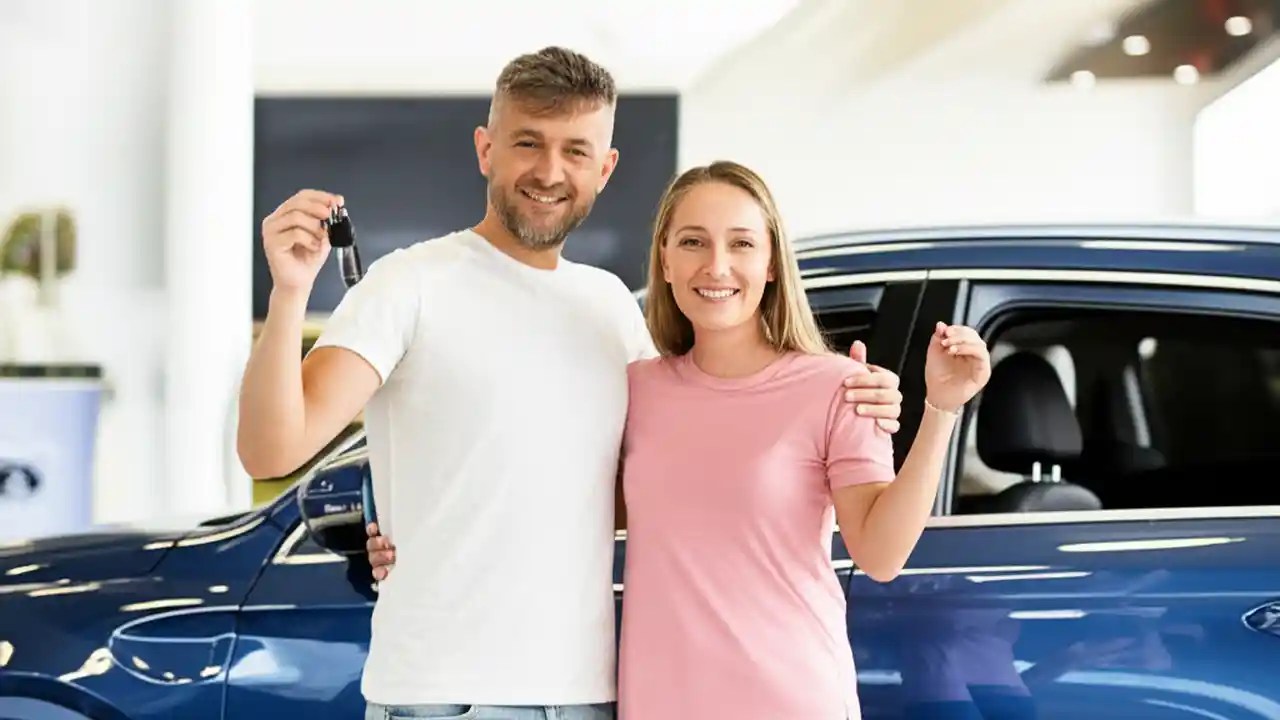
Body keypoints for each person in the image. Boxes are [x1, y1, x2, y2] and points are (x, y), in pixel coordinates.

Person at [238, 47, 905, 720]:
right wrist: (291, 293)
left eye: (576, 151)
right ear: (485, 148)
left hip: (590, 696)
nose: (550, 172)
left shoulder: (612, 308)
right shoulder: (409, 285)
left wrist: (850, 395)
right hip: (446, 696)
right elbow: (271, 450)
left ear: (605, 168)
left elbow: (645, 486)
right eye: (528, 142)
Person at [369, 159, 992, 719]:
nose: (715, 266)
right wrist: (407, 537)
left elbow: (881, 556)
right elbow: (544, 496)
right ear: (665, 260)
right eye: (693, 242)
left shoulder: (836, 388)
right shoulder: (634, 389)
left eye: (741, 244)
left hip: (792, 701)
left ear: (771, 263)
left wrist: (940, 409)